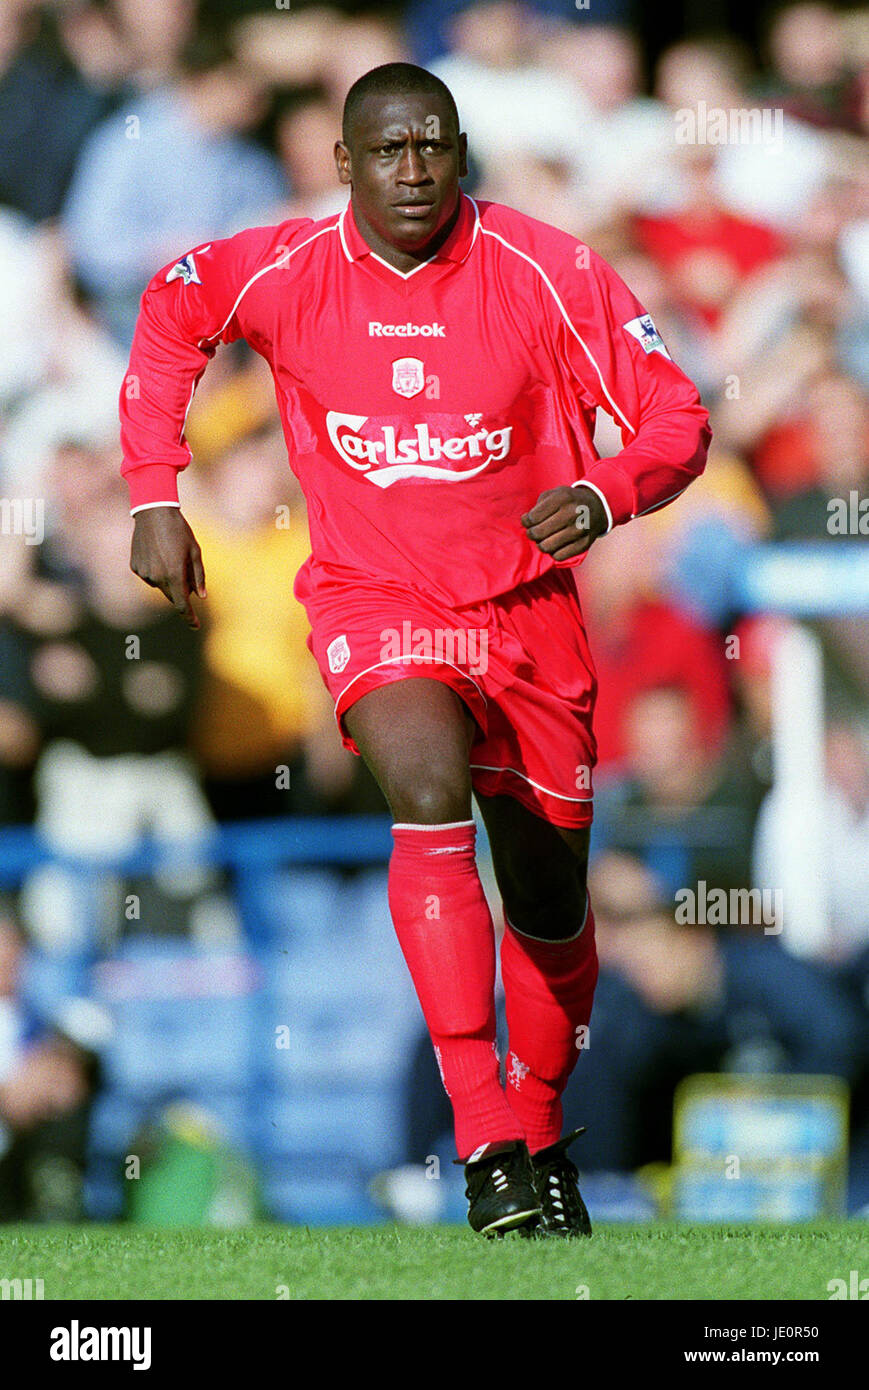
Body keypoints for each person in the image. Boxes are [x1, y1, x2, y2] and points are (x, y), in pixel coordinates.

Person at [120, 62, 711, 1237]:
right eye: (385, 150)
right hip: (372, 596)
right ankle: (483, 1127)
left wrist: (604, 495)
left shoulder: (545, 268)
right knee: (427, 787)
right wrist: (153, 491)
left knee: (547, 901)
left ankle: (538, 1134)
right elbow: (172, 305)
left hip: (529, 620)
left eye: (431, 145)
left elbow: (677, 414)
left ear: (459, 150)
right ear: (341, 163)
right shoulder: (287, 270)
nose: (411, 170)